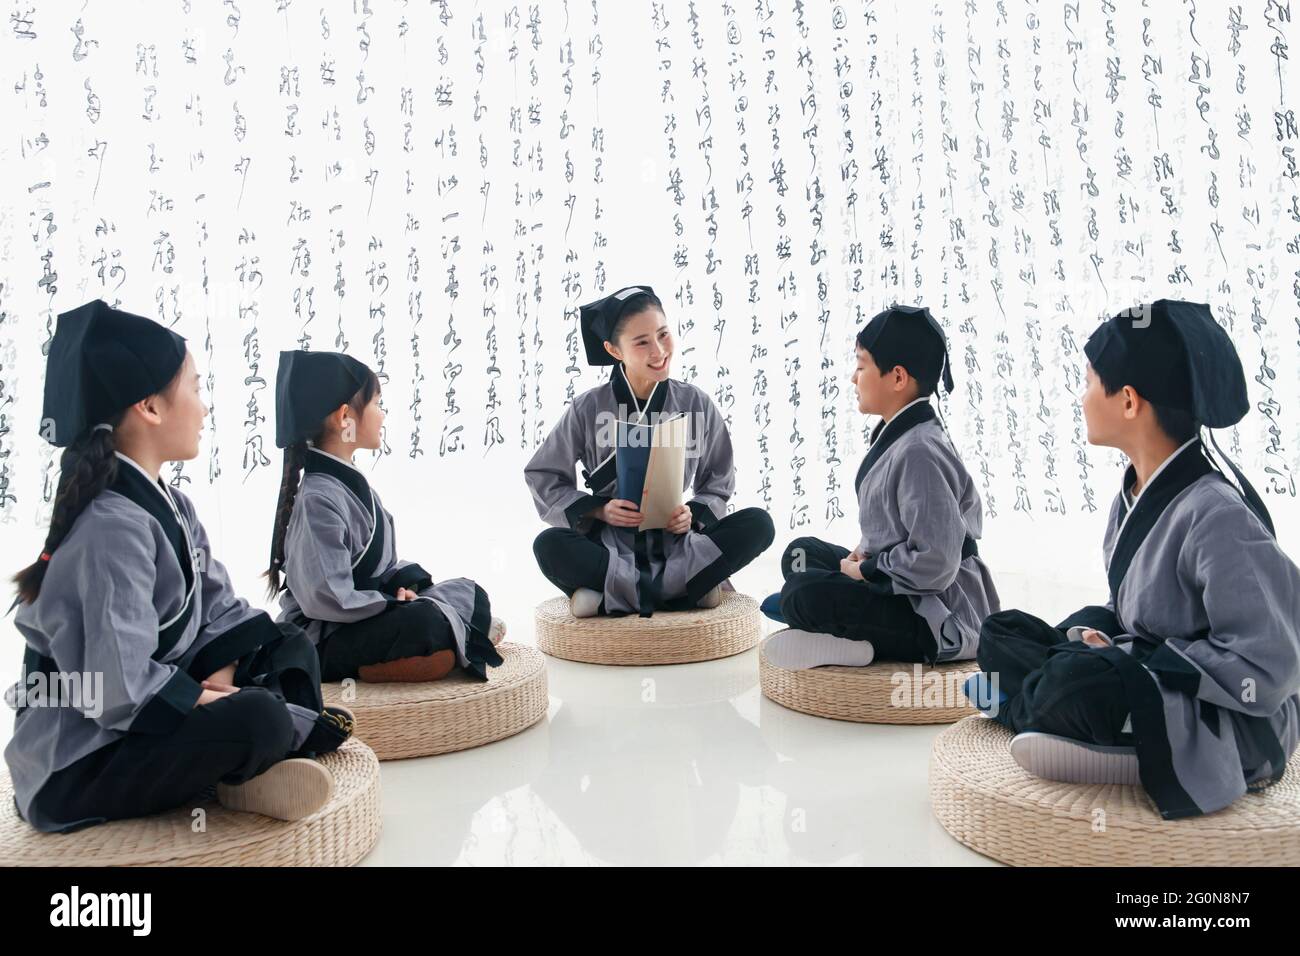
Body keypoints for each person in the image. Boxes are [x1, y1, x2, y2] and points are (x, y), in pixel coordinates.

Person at [5, 301, 351, 833]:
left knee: (289, 645)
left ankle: (248, 764)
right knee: (256, 716)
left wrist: (224, 670)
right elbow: (118, 686)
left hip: (141, 712)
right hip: (80, 758)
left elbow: (221, 607)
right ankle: (253, 761)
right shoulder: (109, 528)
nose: (204, 407)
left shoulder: (171, 504)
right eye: (194, 388)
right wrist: (209, 697)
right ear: (149, 406)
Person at [971, 299, 1300, 819]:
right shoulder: (1132, 493)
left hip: (1230, 718)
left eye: (1088, 382)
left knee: (1074, 685)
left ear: (1128, 401)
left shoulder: (1217, 515)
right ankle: (1063, 715)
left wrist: (1138, 662)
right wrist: (1099, 641)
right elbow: (1131, 613)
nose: (1080, 398)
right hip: (1147, 670)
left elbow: (1271, 663)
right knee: (1000, 633)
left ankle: (1085, 728)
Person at [763, 304, 999, 669]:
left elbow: (936, 561)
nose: (853, 379)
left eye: (861, 366)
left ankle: (859, 646)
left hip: (938, 612)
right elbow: (903, 527)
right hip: (903, 584)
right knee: (800, 554)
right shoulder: (906, 435)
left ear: (898, 377)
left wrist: (866, 571)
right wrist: (863, 552)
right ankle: (840, 625)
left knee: (800, 593)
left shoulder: (920, 451)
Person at [525, 285, 774, 618]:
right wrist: (600, 510)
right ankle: (689, 589)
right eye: (642, 342)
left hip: (680, 542)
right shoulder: (587, 407)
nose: (658, 351)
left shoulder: (695, 403)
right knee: (549, 545)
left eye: (663, 334)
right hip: (611, 546)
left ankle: (607, 597)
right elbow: (543, 474)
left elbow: (718, 481)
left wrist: (693, 514)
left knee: (759, 523)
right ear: (614, 350)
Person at [268, 350, 504, 683]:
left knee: (469, 592)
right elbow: (328, 598)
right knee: (423, 620)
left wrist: (403, 587)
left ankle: (435, 647)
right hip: (327, 635)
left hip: (367, 614)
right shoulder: (318, 498)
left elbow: (384, 566)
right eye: (377, 404)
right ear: (345, 418)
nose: (382, 415)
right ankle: (430, 647)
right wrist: (390, 603)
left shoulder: (348, 483)